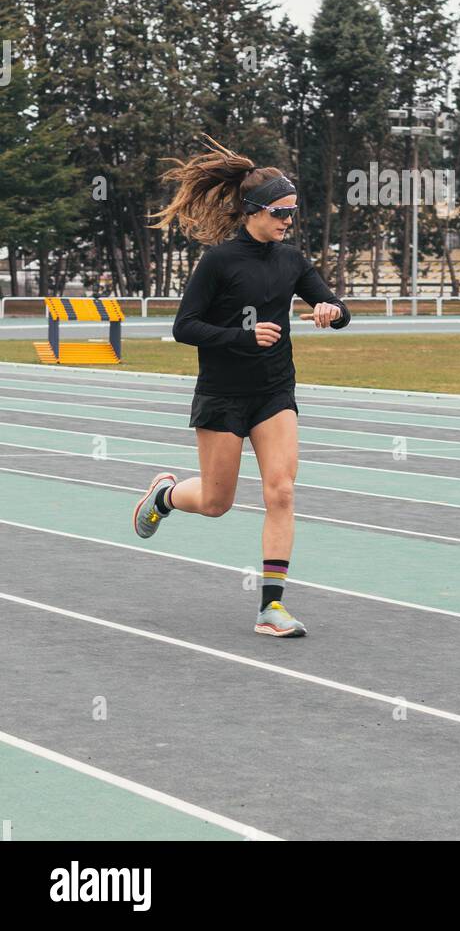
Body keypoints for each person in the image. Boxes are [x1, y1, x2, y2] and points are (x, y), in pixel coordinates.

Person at [132, 136, 350, 637]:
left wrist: (330, 311)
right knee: (215, 503)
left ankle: (271, 608)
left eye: (293, 214)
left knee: (282, 492)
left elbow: (339, 310)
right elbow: (185, 327)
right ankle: (164, 497)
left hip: (274, 392)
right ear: (254, 210)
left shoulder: (292, 261)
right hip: (222, 394)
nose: (288, 222)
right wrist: (242, 336)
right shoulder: (218, 262)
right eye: (280, 213)